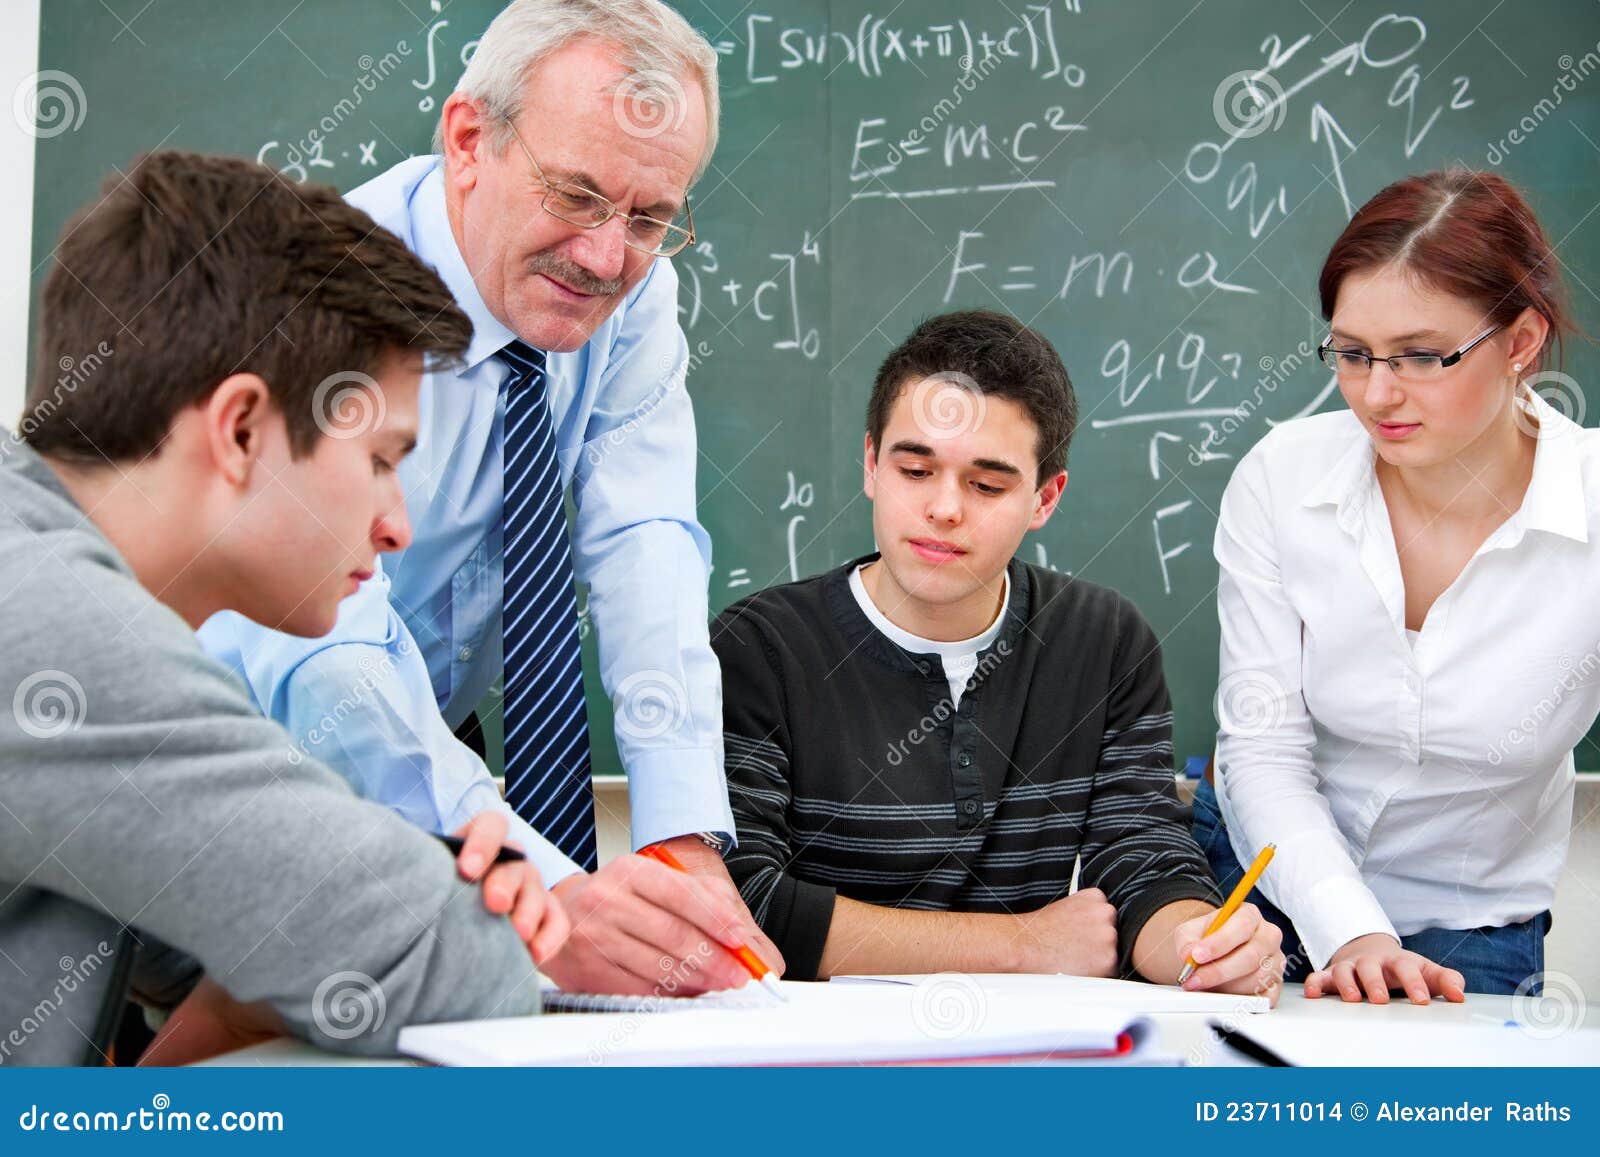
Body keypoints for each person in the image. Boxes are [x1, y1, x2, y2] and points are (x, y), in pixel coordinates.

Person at [195, 0, 780, 998]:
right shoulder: (320, 290)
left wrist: (680, 834)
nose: (605, 259)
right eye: (576, 194)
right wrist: (545, 891)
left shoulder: (630, 287)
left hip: (429, 731)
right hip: (239, 746)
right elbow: (331, 654)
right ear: (469, 140)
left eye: (647, 218)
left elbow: (644, 538)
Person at [0, 151, 591, 1064]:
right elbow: (452, 970)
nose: (397, 526)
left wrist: (399, 906)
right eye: (381, 460)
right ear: (239, 429)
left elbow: (240, 979)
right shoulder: (60, 629)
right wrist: (462, 906)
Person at [712, 310, 1286, 1000]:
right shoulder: (760, 646)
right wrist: (1023, 945)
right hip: (812, 1051)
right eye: (916, 468)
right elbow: (742, 902)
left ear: (1045, 497)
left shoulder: (1103, 640)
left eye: (987, 485)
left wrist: (1198, 942)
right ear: (870, 464)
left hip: (1027, 1050)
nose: (945, 508)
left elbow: (1143, 858)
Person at [1194, 169, 1599, 1003]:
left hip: (1469, 921)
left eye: (1421, 355)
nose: (1377, 394)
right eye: (1351, 353)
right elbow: (1264, 751)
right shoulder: (1282, 479)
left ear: (1522, 341)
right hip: (1259, 881)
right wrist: (1352, 930)